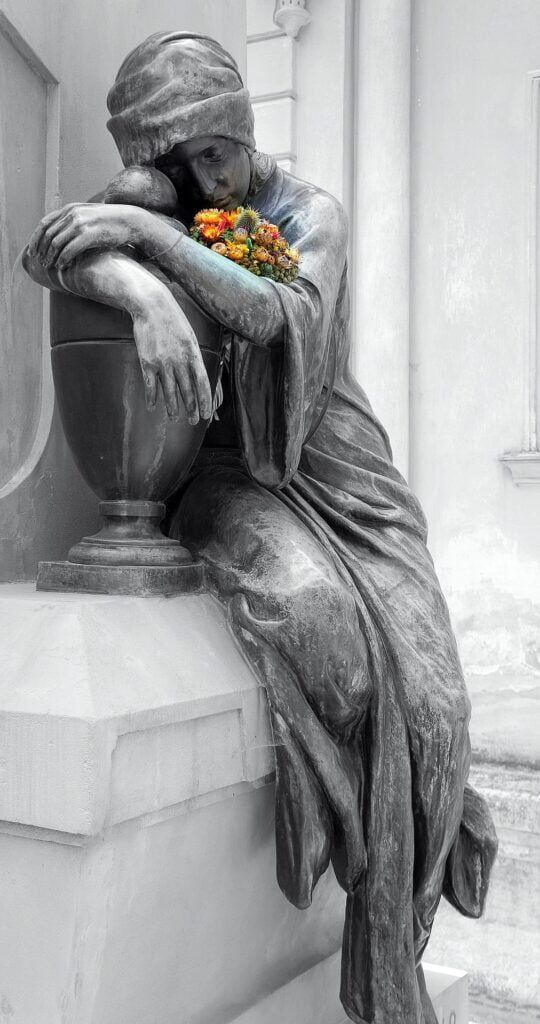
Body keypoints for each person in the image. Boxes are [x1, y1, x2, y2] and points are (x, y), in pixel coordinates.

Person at [23, 31, 497, 1024]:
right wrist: (140, 290)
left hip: (349, 479)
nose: (208, 179)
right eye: (183, 163)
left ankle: (401, 909)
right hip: (229, 482)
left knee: (441, 708)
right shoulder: (173, 201)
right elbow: (49, 248)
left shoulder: (308, 213)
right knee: (332, 645)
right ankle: (364, 875)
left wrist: (152, 241)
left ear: (242, 126)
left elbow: (277, 315)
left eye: (215, 153)